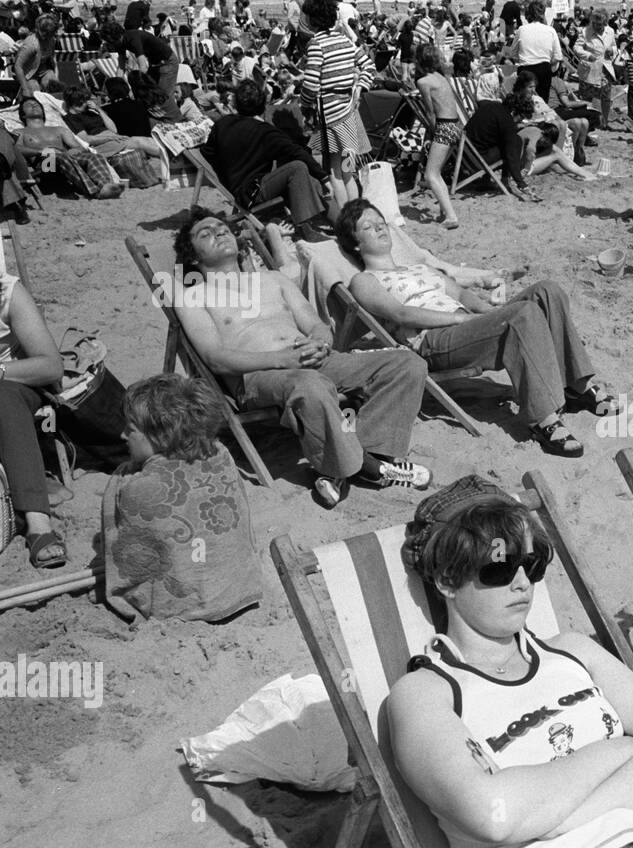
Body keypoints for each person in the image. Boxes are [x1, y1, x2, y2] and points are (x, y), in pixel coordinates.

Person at [388, 476, 633, 848]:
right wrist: (621, 749)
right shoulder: (425, 693)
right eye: (500, 566)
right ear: (447, 580)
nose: (522, 583)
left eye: (532, 564)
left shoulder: (575, 650)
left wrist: (558, 820)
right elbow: (495, 816)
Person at [172, 208, 431, 507]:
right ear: (192, 257)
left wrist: (321, 342)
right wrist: (283, 360)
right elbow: (215, 359)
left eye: (222, 228)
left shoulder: (274, 279)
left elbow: (315, 324)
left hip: (313, 360)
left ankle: (362, 454)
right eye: (205, 234)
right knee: (309, 384)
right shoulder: (192, 296)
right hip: (261, 375)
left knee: (406, 363)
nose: (218, 233)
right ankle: (367, 467)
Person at [339, 199, 620, 457]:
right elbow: (400, 313)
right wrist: (462, 320)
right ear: (355, 243)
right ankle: (543, 419)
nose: (379, 228)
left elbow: (460, 295)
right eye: (368, 226)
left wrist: (490, 313)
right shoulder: (364, 280)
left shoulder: (418, 268)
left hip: (466, 327)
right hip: (434, 342)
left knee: (547, 291)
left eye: (380, 222)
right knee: (522, 314)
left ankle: (578, 387)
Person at [104, 374, 261, 622]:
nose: (123, 435)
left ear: (162, 436)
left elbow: (132, 566)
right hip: (240, 588)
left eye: (131, 429)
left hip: (182, 609)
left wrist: (119, 480)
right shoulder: (221, 454)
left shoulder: (137, 486)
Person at [203, 80, 334, 242]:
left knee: (290, 166)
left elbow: (207, 152)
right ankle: (307, 229)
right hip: (250, 192)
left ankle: (310, 218)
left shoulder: (222, 124)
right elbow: (297, 152)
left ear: (236, 103)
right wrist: (324, 178)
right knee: (297, 167)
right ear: (262, 105)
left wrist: (225, 175)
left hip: (233, 187)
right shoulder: (265, 132)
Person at [0, 272, 67, 568]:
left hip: (14, 386)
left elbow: (51, 366)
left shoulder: (8, 293)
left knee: (1, 397)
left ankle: (38, 525)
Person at [299, 0, 374, 208]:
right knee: (348, 169)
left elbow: (311, 84)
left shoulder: (316, 44)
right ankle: (357, 212)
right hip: (349, 112)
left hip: (330, 114)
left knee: (334, 169)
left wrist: (305, 106)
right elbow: (369, 66)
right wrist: (359, 88)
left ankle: (345, 216)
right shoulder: (344, 40)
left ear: (312, 20)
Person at [15, 98, 126, 200]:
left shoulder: (59, 129)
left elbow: (77, 146)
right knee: (53, 154)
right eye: (29, 105)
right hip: (45, 164)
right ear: (23, 115)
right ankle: (95, 192)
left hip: (64, 157)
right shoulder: (20, 132)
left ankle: (105, 186)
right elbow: (16, 149)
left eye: (37, 104)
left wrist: (73, 151)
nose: (34, 106)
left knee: (94, 156)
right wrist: (40, 151)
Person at [413, 42, 460, 229]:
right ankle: (444, 211)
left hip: (444, 126)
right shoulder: (440, 77)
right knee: (436, 171)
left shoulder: (423, 82)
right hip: (456, 125)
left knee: (430, 174)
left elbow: (430, 113)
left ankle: (451, 216)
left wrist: (433, 133)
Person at [511, 0, 561, 102]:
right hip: (544, 70)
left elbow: (513, 54)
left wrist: (522, 59)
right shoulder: (551, 30)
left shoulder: (521, 29)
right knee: (541, 104)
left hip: (525, 69)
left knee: (523, 102)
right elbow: (558, 57)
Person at [575, 8, 616, 129]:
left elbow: (614, 46)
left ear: (605, 23)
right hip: (590, 69)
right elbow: (577, 47)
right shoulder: (585, 31)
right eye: (594, 23)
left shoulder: (610, 31)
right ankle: (589, 122)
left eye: (600, 24)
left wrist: (612, 50)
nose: (597, 26)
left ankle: (605, 122)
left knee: (606, 97)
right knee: (587, 96)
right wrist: (588, 55)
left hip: (605, 68)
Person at [13, 13, 62, 97]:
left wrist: (56, 76)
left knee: (55, 91)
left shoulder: (52, 40)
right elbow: (18, 66)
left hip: (44, 71)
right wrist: (25, 88)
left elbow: (53, 57)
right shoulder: (31, 44)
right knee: (36, 94)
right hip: (27, 74)